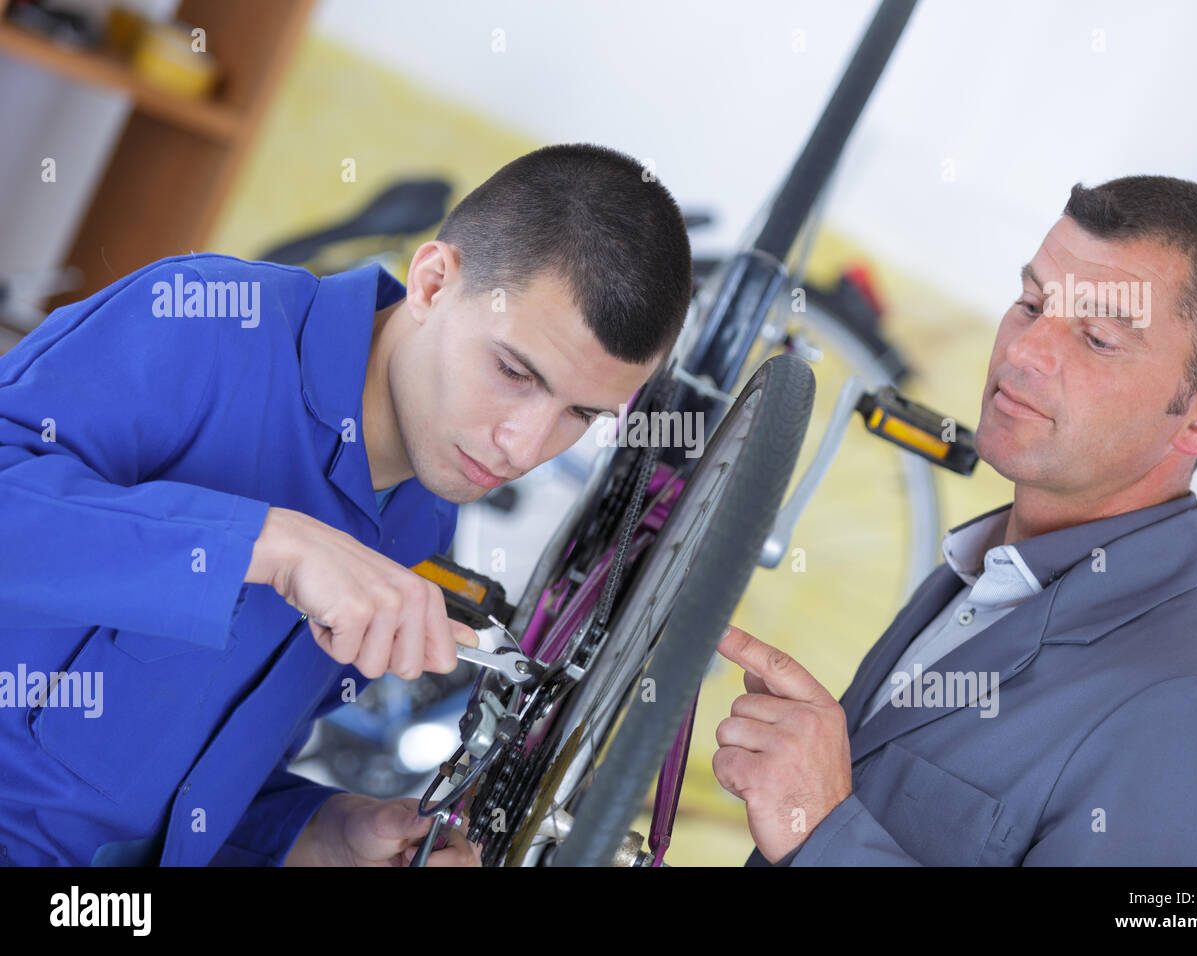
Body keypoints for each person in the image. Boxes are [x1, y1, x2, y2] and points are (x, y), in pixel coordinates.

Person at [0, 143, 693, 866]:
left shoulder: (423, 518)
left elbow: (191, 783)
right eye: (514, 371)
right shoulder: (205, 328)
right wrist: (270, 544)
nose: (524, 445)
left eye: (580, 415)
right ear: (431, 284)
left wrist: (327, 833)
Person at [713, 174, 1197, 865]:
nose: (1022, 351)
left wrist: (822, 832)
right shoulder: (982, 578)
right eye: (1030, 303)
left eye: (1099, 338)